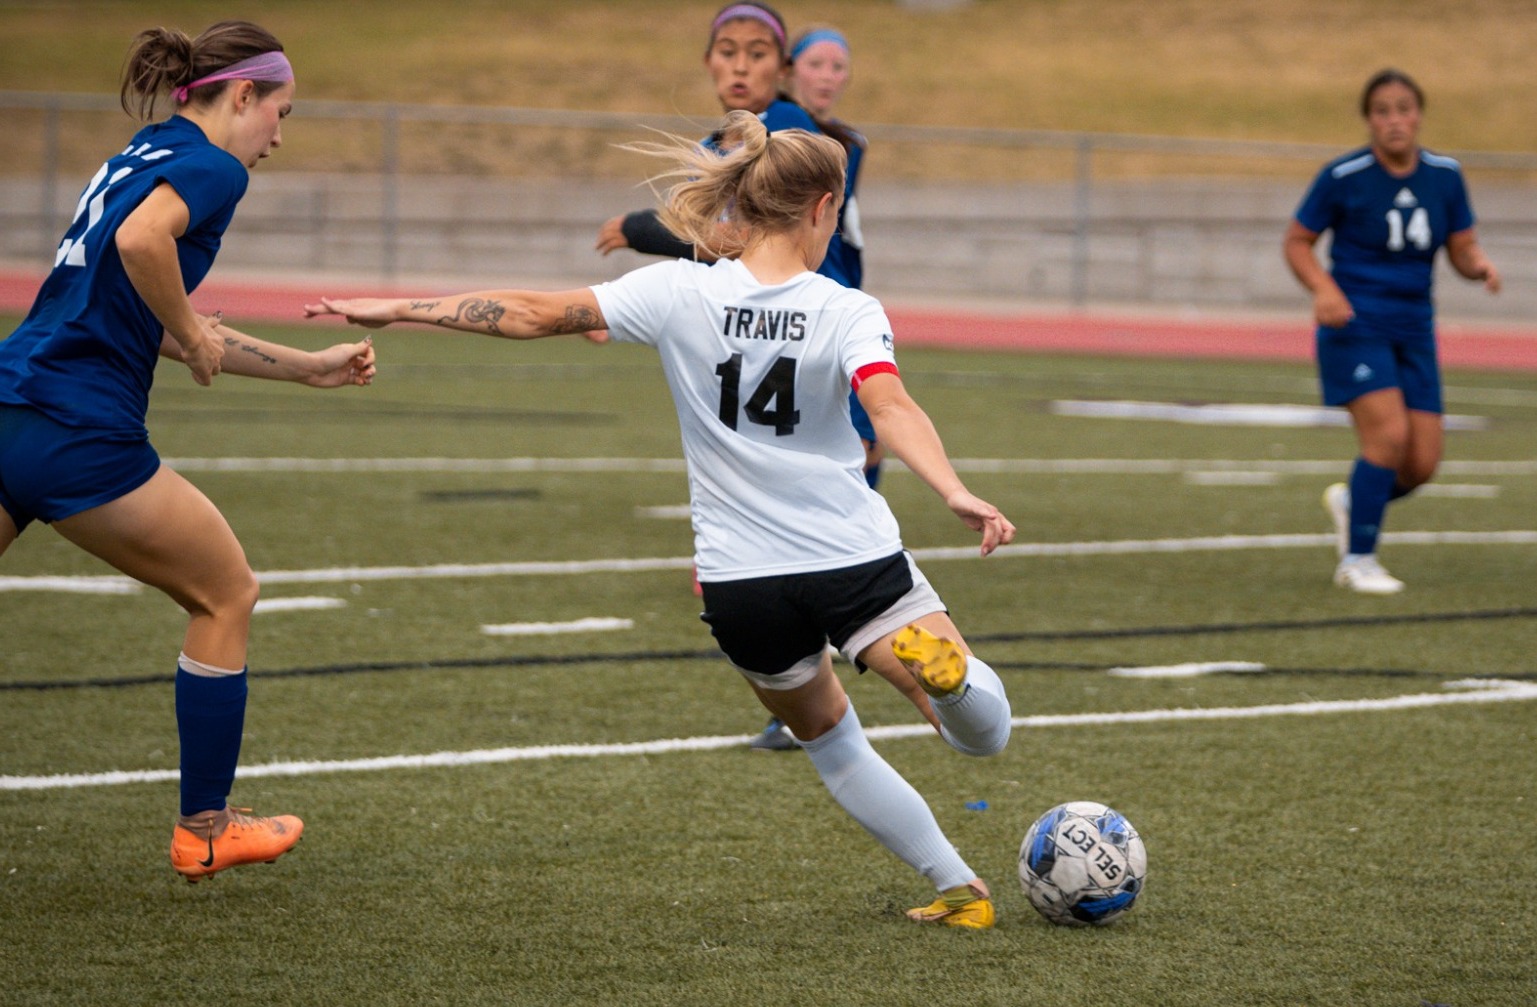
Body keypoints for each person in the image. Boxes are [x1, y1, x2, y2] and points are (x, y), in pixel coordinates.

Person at [308, 110, 1016, 929]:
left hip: (740, 582)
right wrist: (953, 489)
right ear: (823, 207)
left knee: (829, 740)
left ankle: (959, 887)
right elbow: (886, 404)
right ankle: (952, 679)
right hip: (848, 556)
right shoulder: (843, 308)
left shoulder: (678, 290)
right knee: (978, 738)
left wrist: (397, 306)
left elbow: (533, 311)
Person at [0, 21, 376, 882]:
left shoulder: (143, 150)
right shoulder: (214, 165)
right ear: (241, 96)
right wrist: (186, 328)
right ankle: (206, 826)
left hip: (8, 404)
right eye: (279, 111)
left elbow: (148, 302)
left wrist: (306, 370)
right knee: (227, 591)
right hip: (77, 429)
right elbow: (145, 254)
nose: (279, 135)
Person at [593, 5, 872, 749]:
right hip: (778, 333)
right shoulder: (739, 136)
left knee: (816, 506)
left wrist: (642, 229)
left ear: (779, 70)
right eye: (727, 52)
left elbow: (724, 238)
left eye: (757, 54)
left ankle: (833, 665)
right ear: (709, 63)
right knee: (808, 501)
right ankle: (825, 664)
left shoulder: (772, 132)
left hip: (810, 332)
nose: (740, 66)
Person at [1283, 68, 1500, 594]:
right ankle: (1358, 559)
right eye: (1382, 111)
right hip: (1356, 324)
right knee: (1388, 437)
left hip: (1415, 327)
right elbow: (1296, 241)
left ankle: (1354, 502)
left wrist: (1478, 267)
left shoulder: (1445, 175)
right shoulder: (1344, 176)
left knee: (1422, 464)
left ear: (1419, 115)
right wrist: (1324, 289)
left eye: (1404, 108)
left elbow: (1461, 246)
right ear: (1369, 120)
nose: (1395, 120)